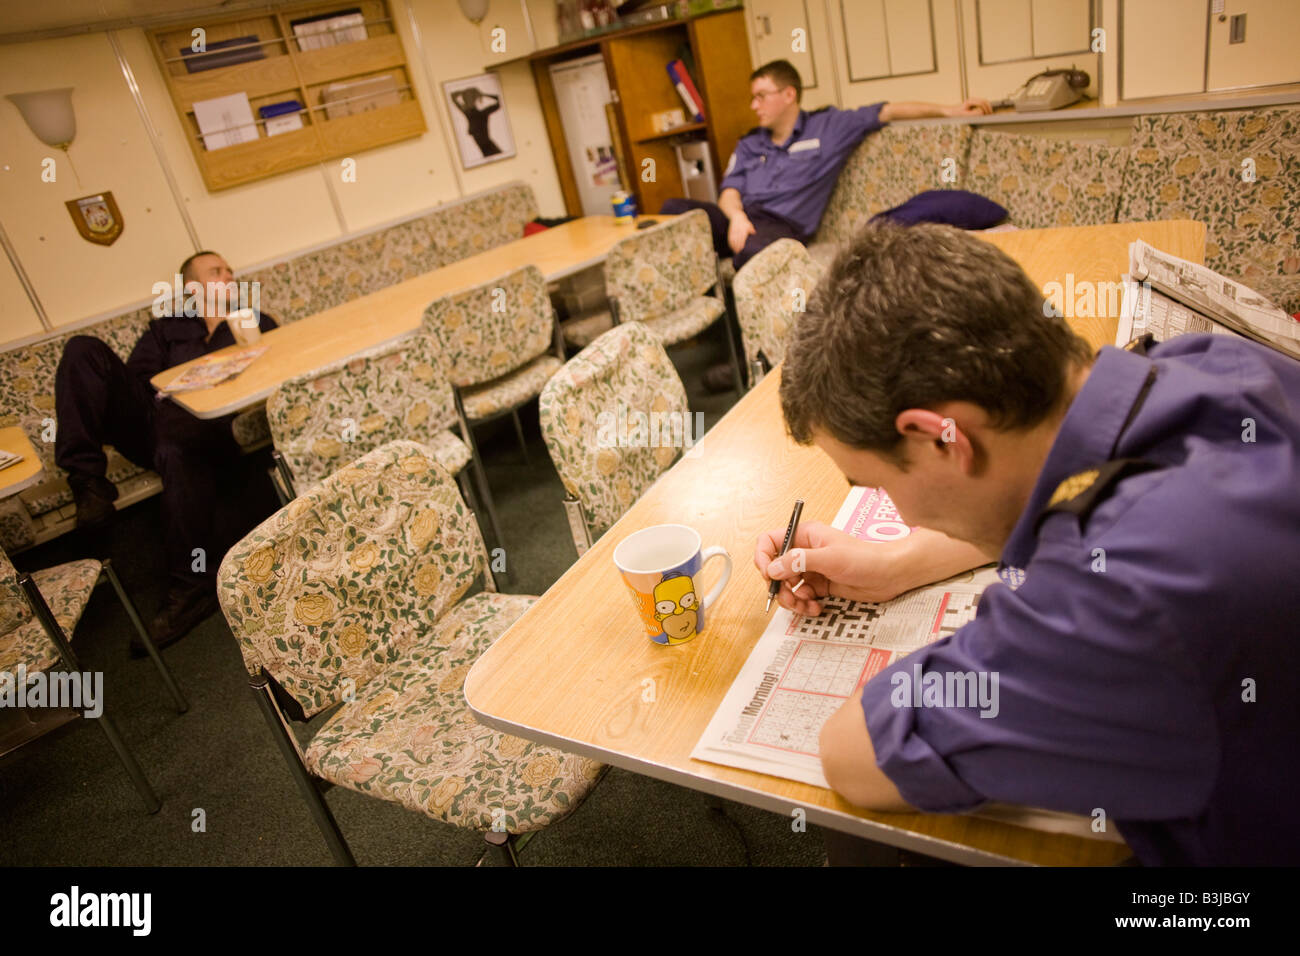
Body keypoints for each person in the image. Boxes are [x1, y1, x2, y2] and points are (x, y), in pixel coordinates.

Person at [755, 223, 1300, 865]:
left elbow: (854, 753)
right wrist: (897, 563)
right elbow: (1066, 491)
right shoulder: (1206, 362)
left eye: (875, 483)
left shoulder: (1114, 600)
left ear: (942, 437)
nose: (893, 511)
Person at [663, 59, 990, 391]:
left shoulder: (830, 127)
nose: (753, 105)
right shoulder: (750, 143)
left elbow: (888, 111)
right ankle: (686, 336)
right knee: (674, 210)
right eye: (753, 97)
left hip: (782, 226)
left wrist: (950, 110)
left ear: (789, 94)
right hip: (741, 217)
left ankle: (746, 358)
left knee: (752, 250)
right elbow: (729, 191)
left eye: (761, 96)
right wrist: (736, 217)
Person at [55, 251, 280, 654]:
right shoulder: (167, 329)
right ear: (193, 288)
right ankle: (87, 482)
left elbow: (275, 374)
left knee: (177, 447)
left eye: (230, 269)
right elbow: (140, 382)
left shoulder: (255, 321)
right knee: (82, 349)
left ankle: (192, 587)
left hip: (214, 429)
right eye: (217, 271)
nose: (229, 275)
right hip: (155, 424)